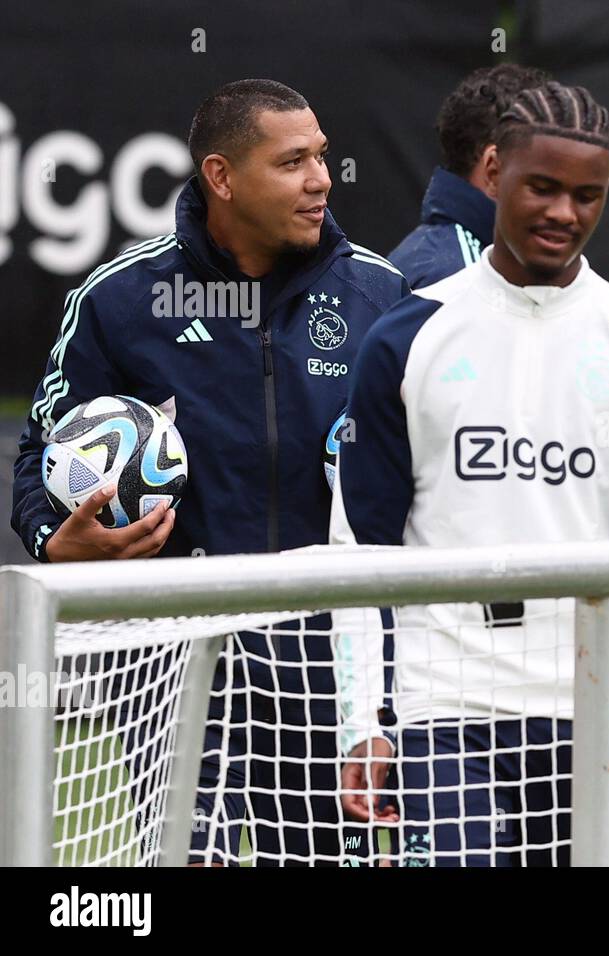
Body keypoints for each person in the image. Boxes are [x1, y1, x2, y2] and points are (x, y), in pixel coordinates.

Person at [10, 78, 409, 864]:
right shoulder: (119, 302)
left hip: (333, 672)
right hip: (177, 671)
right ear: (222, 178)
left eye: (322, 157)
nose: (321, 179)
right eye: (292, 162)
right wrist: (58, 542)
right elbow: (37, 462)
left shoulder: (383, 300)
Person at [330, 82, 609, 866]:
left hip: (595, 707)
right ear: (495, 169)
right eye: (542, 187)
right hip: (443, 709)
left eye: (588, 196)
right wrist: (363, 719)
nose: (563, 214)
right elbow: (358, 549)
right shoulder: (407, 336)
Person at [388, 64, 550, 289]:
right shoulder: (454, 276)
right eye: (543, 180)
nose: (563, 212)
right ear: (494, 168)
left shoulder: (439, 256)